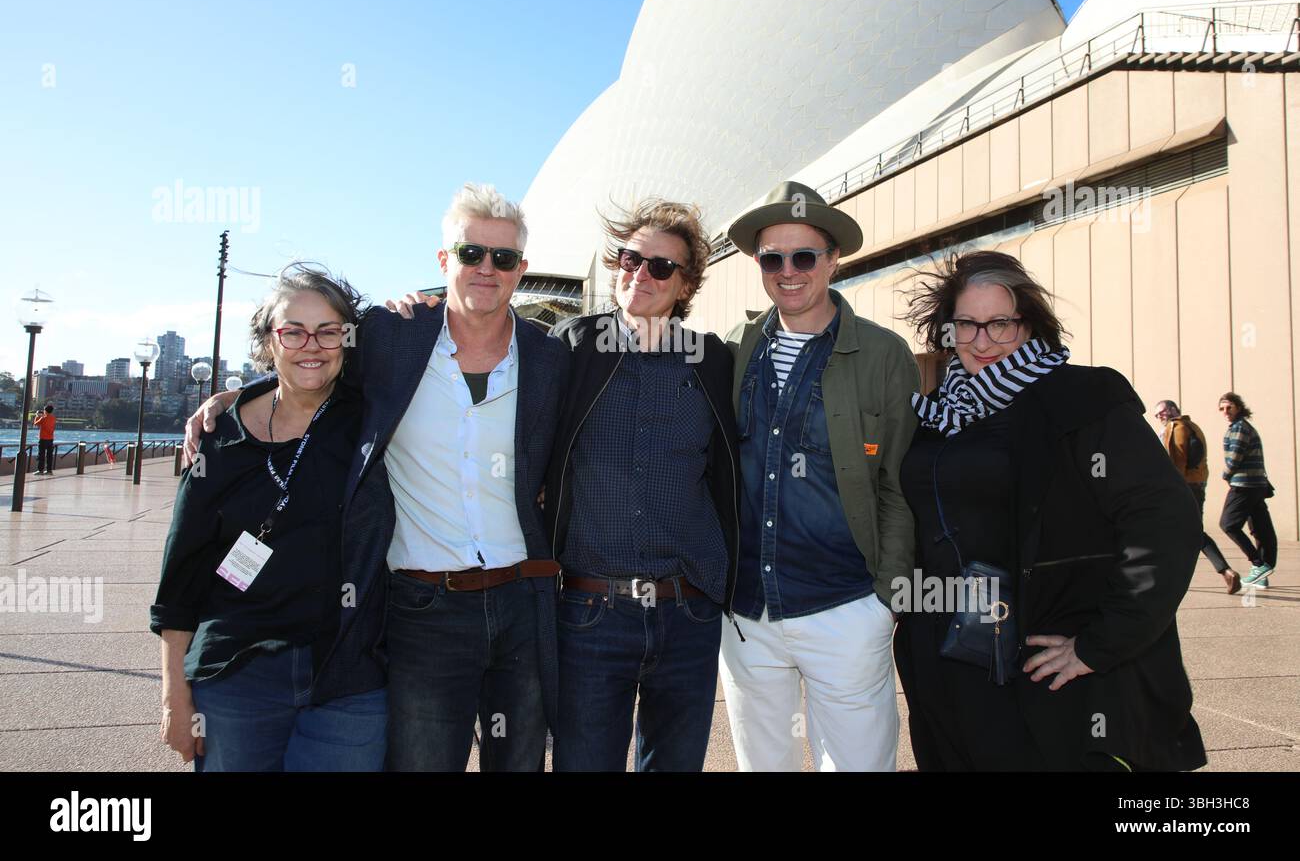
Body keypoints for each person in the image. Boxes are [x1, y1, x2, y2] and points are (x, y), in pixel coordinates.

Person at [189, 184, 569, 772]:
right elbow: (313, 361)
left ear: (521, 269)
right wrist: (242, 395)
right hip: (424, 607)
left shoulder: (550, 356)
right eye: (471, 253)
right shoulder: (394, 337)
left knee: (519, 763)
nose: (486, 269)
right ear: (445, 262)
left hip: (524, 600)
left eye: (503, 258)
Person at [893, 250, 1205, 771]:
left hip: (1038, 667)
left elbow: (1164, 521)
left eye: (1000, 324)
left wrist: (1101, 643)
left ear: (1031, 324)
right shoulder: (939, 412)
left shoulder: (1083, 400)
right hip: (946, 661)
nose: (982, 340)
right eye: (966, 325)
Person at [718, 181, 920, 772]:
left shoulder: (884, 354)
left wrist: (889, 596)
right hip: (748, 614)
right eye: (771, 258)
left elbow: (898, 483)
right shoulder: (735, 346)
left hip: (846, 605)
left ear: (832, 260)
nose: (788, 271)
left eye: (804, 256)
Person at [153, 265, 387, 771]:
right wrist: (174, 692)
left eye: (329, 331)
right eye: (293, 331)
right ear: (268, 341)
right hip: (238, 671)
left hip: (349, 676)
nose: (312, 345)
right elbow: (183, 571)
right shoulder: (222, 438)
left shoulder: (371, 421)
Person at [546, 201, 739, 771]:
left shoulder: (712, 361)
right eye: (631, 259)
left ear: (685, 285)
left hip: (689, 613)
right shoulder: (572, 348)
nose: (639, 274)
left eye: (661, 267)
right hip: (590, 612)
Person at [1154, 400, 1240, 594]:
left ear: (1173, 409)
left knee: (1173, 531)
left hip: (1182, 487)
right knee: (1193, 532)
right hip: (1197, 485)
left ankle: (1167, 579)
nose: (1159, 416)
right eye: (1157, 414)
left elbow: (1176, 461)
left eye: (1162, 412)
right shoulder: (1194, 427)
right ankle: (1226, 571)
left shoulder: (1175, 428)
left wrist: (1170, 488)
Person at [1217, 392, 1278, 588]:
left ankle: (1258, 564)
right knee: (1261, 528)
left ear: (1238, 407)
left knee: (1228, 524)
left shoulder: (1239, 428)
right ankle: (1262, 573)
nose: (1225, 412)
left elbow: (1235, 458)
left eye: (1229, 407)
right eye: (1222, 408)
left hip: (1244, 486)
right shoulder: (1244, 426)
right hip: (1256, 485)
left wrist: (1225, 474)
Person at [33, 404, 56, 475]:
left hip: (43, 439)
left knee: (41, 455)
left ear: (45, 411)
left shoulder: (43, 418)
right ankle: (49, 470)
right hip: (51, 439)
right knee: (49, 455)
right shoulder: (53, 418)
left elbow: (35, 424)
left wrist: (37, 416)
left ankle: (40, 470)